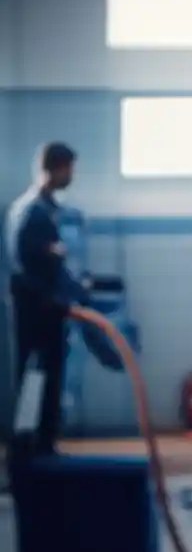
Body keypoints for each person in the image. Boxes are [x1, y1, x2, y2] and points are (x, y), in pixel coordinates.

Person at [5, 141, 77, 455]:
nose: (72, 175)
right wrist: (54, 295)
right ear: (56, 168)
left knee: (36, 378)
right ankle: (36, 448)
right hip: (40, 313)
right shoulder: (34, 212)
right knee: (40, 379)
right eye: (69, 169)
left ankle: (34, 446)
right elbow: (30, 262)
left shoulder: (33, 208)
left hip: (38, 309)